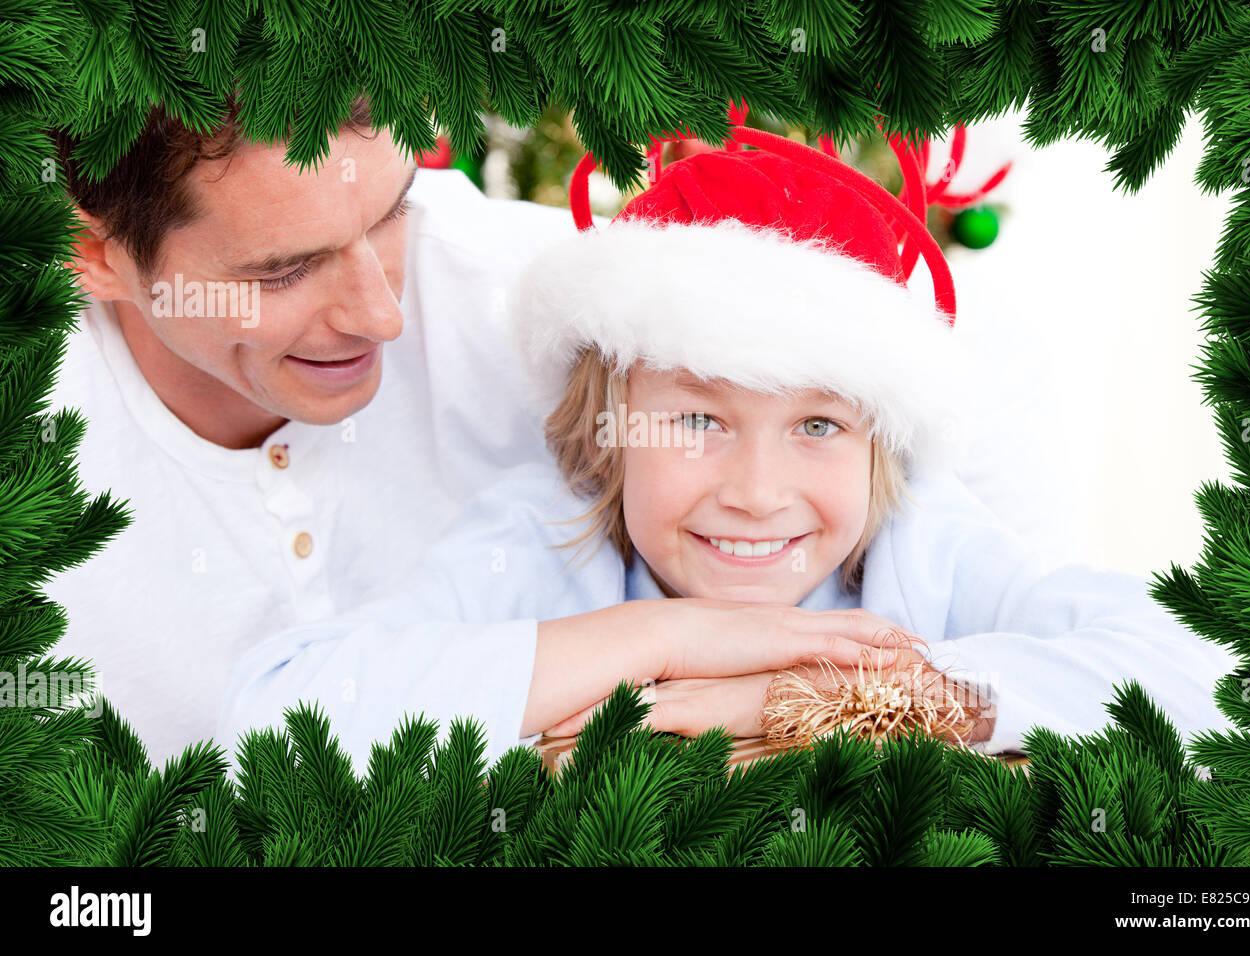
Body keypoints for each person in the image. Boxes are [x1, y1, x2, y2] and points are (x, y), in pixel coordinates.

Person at [218, 127, 1242, 763]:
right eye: (697, 420)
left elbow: (1206, 675)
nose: (758, 492)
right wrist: (665, 642)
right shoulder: (547, 536)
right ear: (607, 434)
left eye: (818, 425)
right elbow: (273, 719)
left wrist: (793, 698)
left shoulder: (916, 541)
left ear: (878, 445)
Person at [47, 93, 894, 766]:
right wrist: (661, 639)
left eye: (390, 212)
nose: (382, 314)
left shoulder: (579, 305)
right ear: (94, 257)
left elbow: (967, 522)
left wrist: (820, 699)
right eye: (285, 270)